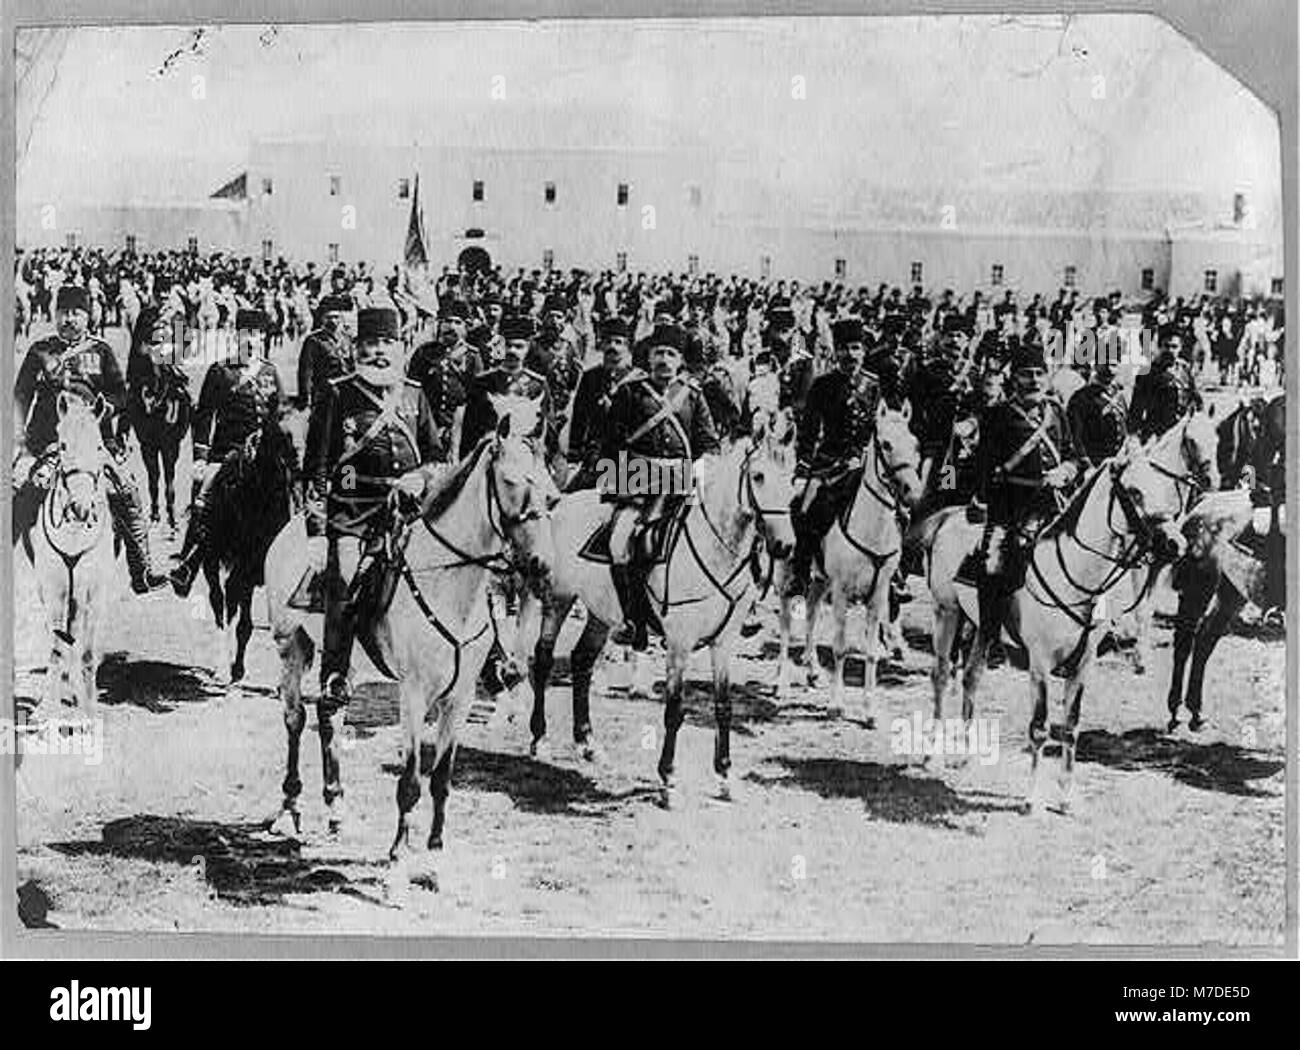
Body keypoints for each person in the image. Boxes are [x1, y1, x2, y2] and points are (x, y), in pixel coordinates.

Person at [302, 306, 443, 708]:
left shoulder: (415, 394)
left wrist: (422, 478)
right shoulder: (338, 392)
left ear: (400, 348)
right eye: (370, 344)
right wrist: (318, 530)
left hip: (409, 512)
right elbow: (318, 465)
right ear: (357, 348)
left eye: (388, 344)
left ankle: (479, 659)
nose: (380, 352)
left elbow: (436, 454)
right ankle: (335, 672)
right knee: (345, 579)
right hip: (354, 513)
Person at [13, 284, 168, 593]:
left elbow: (122, 393)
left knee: (127, 492)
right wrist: (18, 440)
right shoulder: (39, 351)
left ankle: (141, 571)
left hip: (94, 442)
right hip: (48, 443)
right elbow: (20, 396)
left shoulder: (101, 351)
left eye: (76, 313)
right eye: (63, 313)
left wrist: (104, 408)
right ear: (55, 315)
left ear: (88, 316)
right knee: (20, 492)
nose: (69, 320)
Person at [601, 324, 719, 649]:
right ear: (649, 357)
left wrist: (697, 470)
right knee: (620, 541)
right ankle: (633, 619)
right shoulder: (630, 393)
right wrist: (637, 476)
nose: (664, 360)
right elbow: (611, 447)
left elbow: (709, 444)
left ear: (680, 360)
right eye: (659, 353)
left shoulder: (692, 395)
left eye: (671, 354)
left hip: (683, 488)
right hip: (639, 486)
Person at [970, 340, 1084, 661]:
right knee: (993, 563)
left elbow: (1075, 456)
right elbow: (983, 466)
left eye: (1039, 374)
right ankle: (990, 638)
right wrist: (984, 502)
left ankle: (1093, 631)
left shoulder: (1058, 412)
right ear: (1013, 379)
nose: (1033, 380)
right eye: (1025, 374)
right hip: (1011, 505)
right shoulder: (997, 416)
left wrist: (1065, 471)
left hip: (1055, 504)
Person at [171, 309, 285, 596]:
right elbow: (204, 416)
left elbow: (280, 417)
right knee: (204, 495)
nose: (253, 340)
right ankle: (188, 563)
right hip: (226, 453)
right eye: (247, 334)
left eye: (258, 334)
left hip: (262, 457)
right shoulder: (220, 371)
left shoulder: (270, 371)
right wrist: (200, 457)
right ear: (236, 336)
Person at [787, 317, 882, 598]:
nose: (850, 355)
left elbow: (874, 427)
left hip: (863, 464)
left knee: (894, 509)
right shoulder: (822, 385)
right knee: (807, 512)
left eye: (855, 348)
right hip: (829, 464)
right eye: (844, 349)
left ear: (863, 351)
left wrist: (864, 456)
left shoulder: (873, 385)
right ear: (835, 352)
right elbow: (809, 431)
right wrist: (804, 467)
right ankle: (801, 576)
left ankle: (892, 572)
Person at [459, 314, 553, 459]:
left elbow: (548, 432)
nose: (512, 351)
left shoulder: (538, 385)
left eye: (519, 346)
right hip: (488, 455)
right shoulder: (482, 382)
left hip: (527, 457)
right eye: (507, 345)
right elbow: (470, 429)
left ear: (527, 349)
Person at [407, 298, 482, 459]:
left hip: (459, 431)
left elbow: (476, 399)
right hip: (426, 429)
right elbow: (411, 394)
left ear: (465, 327)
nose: (452, 326)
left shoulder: (472, 357)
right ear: (440, 324)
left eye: (457, 322)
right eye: (447, 321)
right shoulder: (424, 353)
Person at [566, 315, 633, 490]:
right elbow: (579, 415)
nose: (613, 347)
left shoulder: (636, 380)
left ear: (626, 347)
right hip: (595, 453)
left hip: (627, 455)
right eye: (608, 341)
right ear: (602, 345)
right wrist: (574, 452)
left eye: (618, 342)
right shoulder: (590, 377)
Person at [1127, 329, 1202, 443]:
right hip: (1157, 435)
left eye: (1174, 346)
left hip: (1181, 433)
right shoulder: (1147, 373)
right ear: (1159, 346)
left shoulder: (1184, 369)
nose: (1170, 350)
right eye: (1166, 346)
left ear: (1180, 348)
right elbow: (1136, 411)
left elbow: (1196, 400)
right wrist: (1135, 438)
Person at [1066, 351, 1129, 471]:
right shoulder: (1081, 398)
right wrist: (1087, 465)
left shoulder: (1120, 396)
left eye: (1114, 365)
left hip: (1118, 464)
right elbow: (1075, 436)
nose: (1110, 370)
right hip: (1094, 467)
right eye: (1105, 364)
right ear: (1095, 365)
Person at [295, 294, 354, 412]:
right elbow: (306, 373)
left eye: (336, 317)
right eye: (329, 317)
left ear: (342, 318)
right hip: (324, 397)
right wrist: (306, 401)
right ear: (322, 319)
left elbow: (353, 367)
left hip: (346, 396)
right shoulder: (313, 340)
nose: (333, 321)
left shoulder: (347, 339)